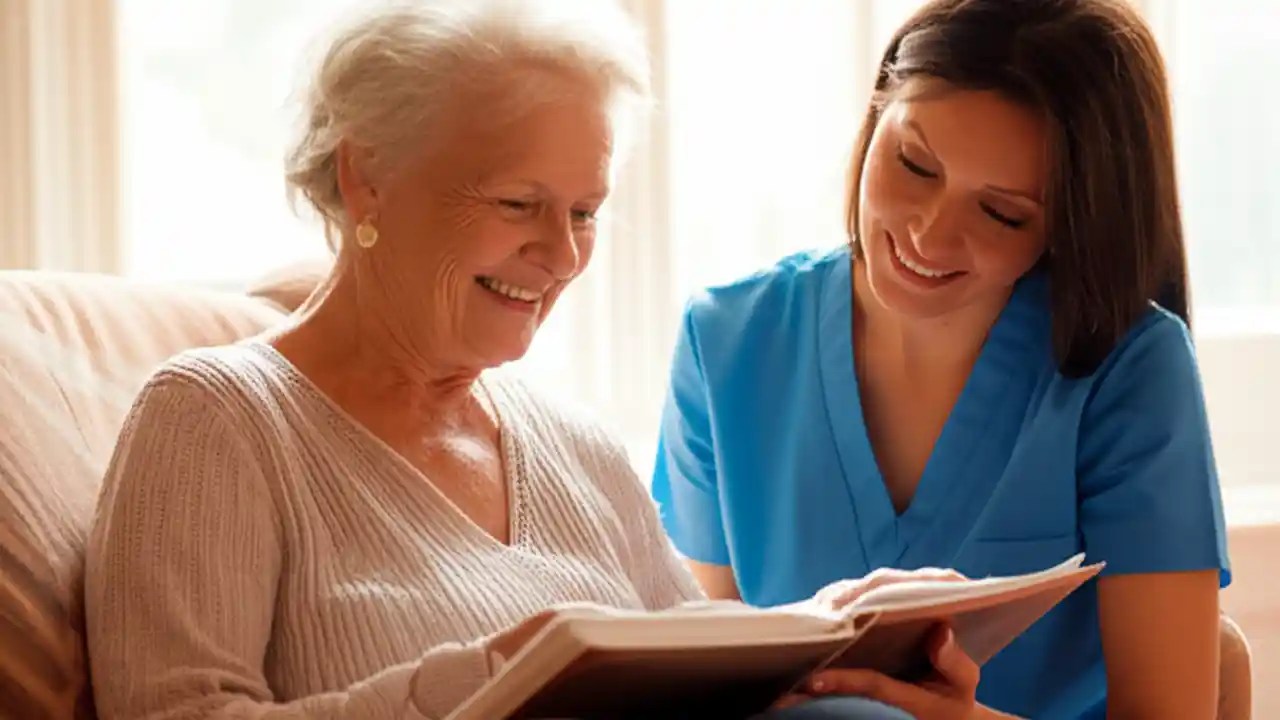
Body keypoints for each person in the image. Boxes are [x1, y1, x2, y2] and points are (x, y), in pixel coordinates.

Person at [85, 1, 977, 718]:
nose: (562, 256)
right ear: (368, 177)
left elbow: (695, 661)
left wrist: (832, 632)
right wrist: (490, 676)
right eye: (519, 203)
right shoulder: (214, 419)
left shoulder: (572, 442)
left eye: (584, 212)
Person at [651, 0, 1231, 718]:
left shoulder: (1129, 370)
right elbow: (702, 679)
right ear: (878, 108)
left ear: (1072, 225)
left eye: (1001, 213)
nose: (930, 233)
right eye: (914, 164)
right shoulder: (727, 342)